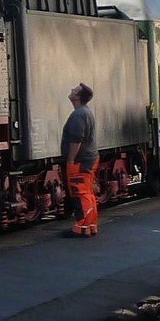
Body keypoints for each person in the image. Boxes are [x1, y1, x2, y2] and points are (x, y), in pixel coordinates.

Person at [62, 83, 98, 237]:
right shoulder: (86, 112)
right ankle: (90, 225)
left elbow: (77, 139)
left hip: (80, 160)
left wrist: (70, 160)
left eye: (74, 90)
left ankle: (81, 228)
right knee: (88, 193)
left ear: (77, 97)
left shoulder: (78, 115)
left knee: (80, 193)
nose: (71, 90)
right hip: (88, 158)